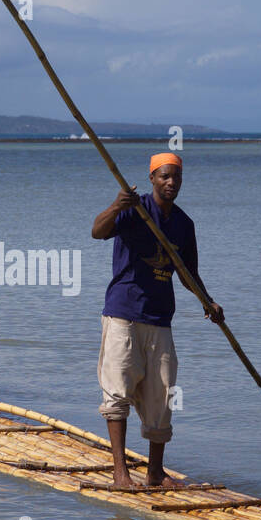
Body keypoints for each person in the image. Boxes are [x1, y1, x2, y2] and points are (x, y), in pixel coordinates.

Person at [91, 152, 224, 488]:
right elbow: (96, 231)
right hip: (124, 313)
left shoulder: (183, 223)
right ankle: (120, 473)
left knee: (162, 396)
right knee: (117, 392)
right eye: (164, 177)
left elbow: (187, 272)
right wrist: (118, 205)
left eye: (176, 177)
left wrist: (207, 301)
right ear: (152, 179)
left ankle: (154, 472)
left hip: (161, 318)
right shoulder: (134, 210)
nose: (170, 183)